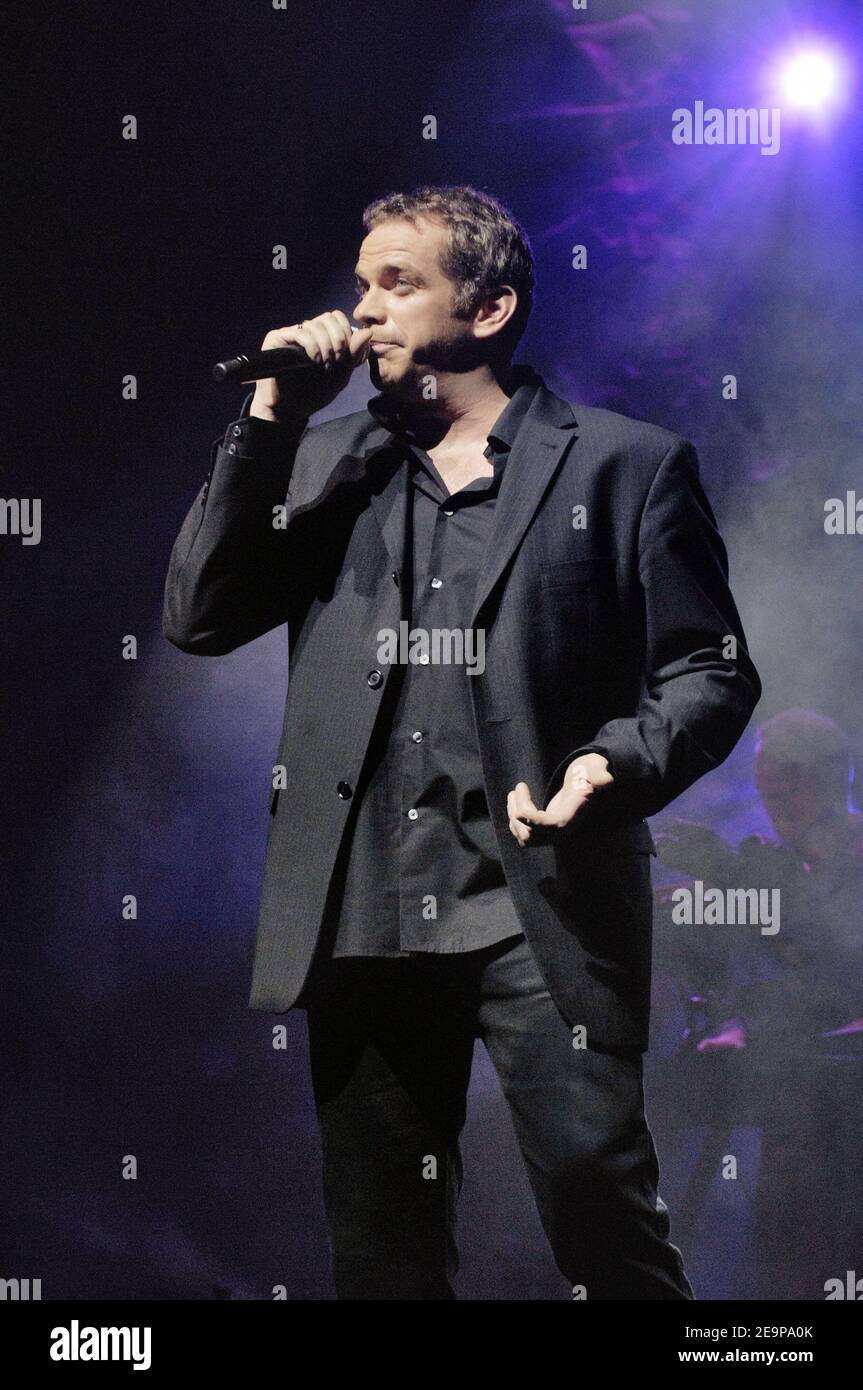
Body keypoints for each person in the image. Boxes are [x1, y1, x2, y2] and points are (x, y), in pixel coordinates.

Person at [163, 184, 761, 1299]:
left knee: (600, 1216)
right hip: (362, 908)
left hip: (536, 905)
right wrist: (269, 418)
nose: (365, 309)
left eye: (399, 283)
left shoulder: (623, 466)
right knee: (382, 1251)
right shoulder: (321, 462)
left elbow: (710, 670)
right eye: (360, 285)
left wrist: (616, 760)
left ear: (485, 311)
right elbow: (198, 617)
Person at [656, 709, 863, 1297]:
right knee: (786, 1252)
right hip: (801, 1089)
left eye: (790, 783)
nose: (777, 800)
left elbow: (836, 958)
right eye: (769, 784)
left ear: (828, 778)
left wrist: (729, 876)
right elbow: (795, 975)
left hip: (849, 1094)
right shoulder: (776, 860)